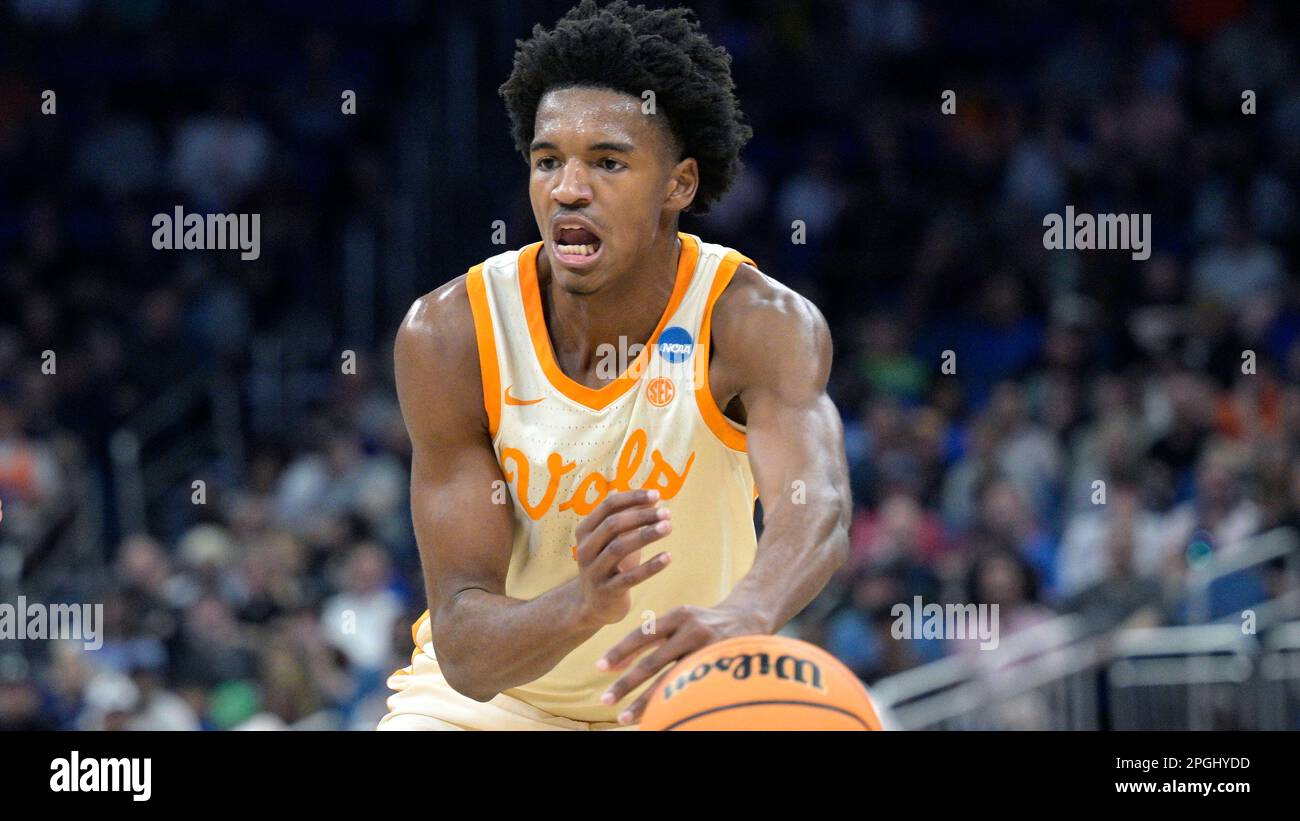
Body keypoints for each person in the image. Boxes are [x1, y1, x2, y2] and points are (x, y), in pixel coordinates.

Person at [378, 0, 851, 730]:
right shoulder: (451, 335)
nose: (568, 187)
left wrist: (747, 612)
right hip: (501, 706)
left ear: (679, 185)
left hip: (686, 694)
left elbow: (814, 504)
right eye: (547, 161)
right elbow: (467, 653)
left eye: (607, 161)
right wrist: (583, 600)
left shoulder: (753, 321)